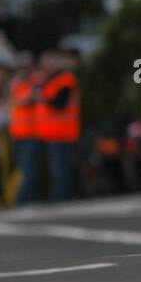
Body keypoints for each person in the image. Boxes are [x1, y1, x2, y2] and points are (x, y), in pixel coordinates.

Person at [34, 51, 80, 202]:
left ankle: (60, 197)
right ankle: (68, 195)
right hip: (51, 132)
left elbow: (59, 103)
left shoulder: (65, 79)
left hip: (61, 131)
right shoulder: (49, 80)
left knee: (60, 168)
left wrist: (43, 97)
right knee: (61, 167)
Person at [7, 53, 42, 203]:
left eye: (25, 67)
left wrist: (22, 99)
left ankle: (21, 199)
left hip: (31, 133)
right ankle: (29, 199)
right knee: (24, 169)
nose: (22, 70)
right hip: (17, 133)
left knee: (29, 169)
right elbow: (13, 100)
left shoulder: (35, 81)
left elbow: (30, 99)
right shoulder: (15, 83)